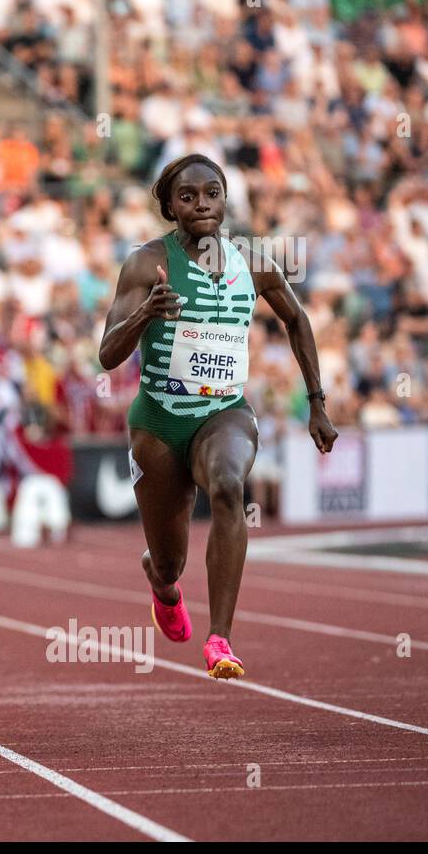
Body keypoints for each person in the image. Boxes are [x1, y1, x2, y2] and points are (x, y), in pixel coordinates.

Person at [98, 154, 337, 678]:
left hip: (224, 411)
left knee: (229, 485)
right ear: (170, 207)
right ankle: (161, 582)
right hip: (159, 422)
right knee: (170, 563)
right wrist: (145, 313)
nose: (202, 204)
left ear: (226, 199)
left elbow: (297, 320)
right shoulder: (145, 263)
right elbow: (108, 355)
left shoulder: (253, 263)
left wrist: (317, 402)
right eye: (187, 197)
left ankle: (220, 639)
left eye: (212, 193)